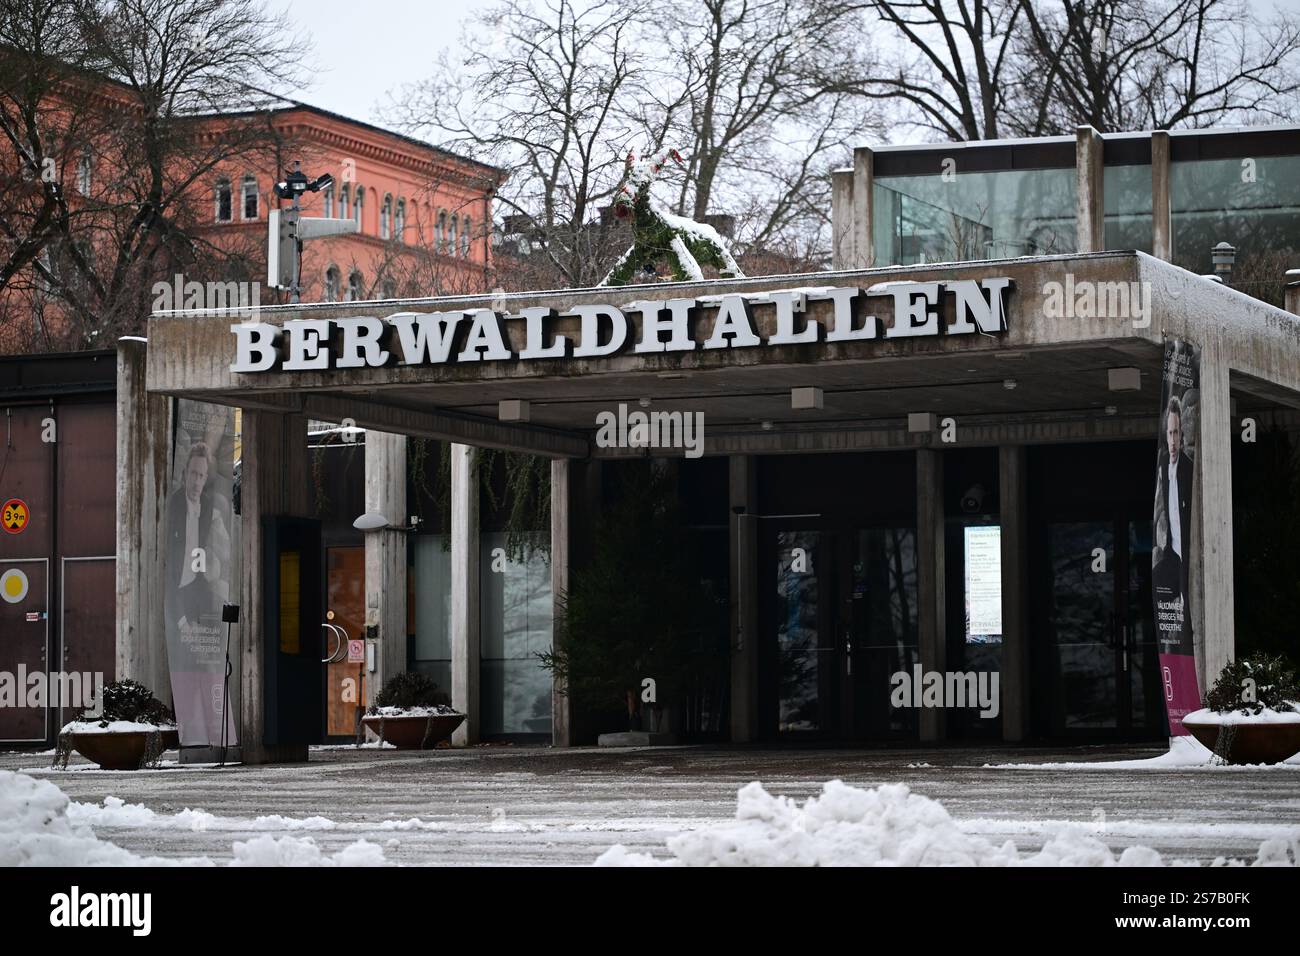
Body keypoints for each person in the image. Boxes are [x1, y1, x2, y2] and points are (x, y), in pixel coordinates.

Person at [164, 442, 231, 636]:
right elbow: (169, 575)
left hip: (195, 587)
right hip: (174, 593)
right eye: (193, 473)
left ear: (205, 478)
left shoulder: (208, 506)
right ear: (185, 474)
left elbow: (200, 553)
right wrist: (183, 622)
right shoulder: (174, 506)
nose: (196, 481)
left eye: (201, 476)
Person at [1157, 396, 1194, 597]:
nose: (1172, 440)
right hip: (1172, 553)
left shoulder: (1188, 468)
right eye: (1169, 433)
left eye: (1176, 433)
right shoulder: (1163, 463)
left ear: (1181, 436)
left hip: (1188, 555)